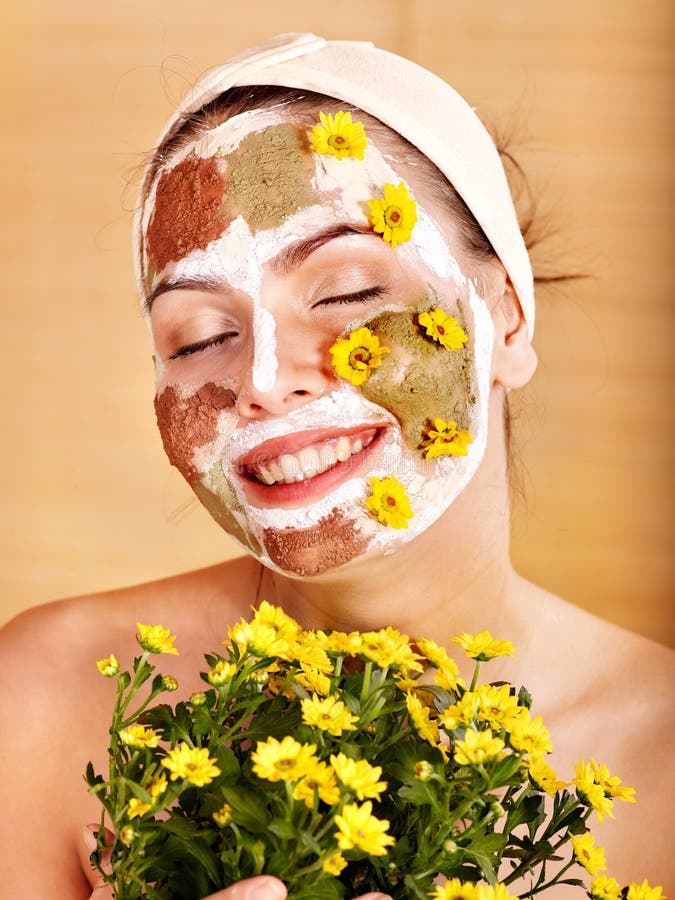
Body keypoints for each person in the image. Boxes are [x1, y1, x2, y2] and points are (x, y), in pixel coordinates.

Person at [1, 33, 672, 900]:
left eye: (349, 292)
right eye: (200, 337)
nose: (263, 381)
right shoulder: (46, 701)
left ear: (504, 320)